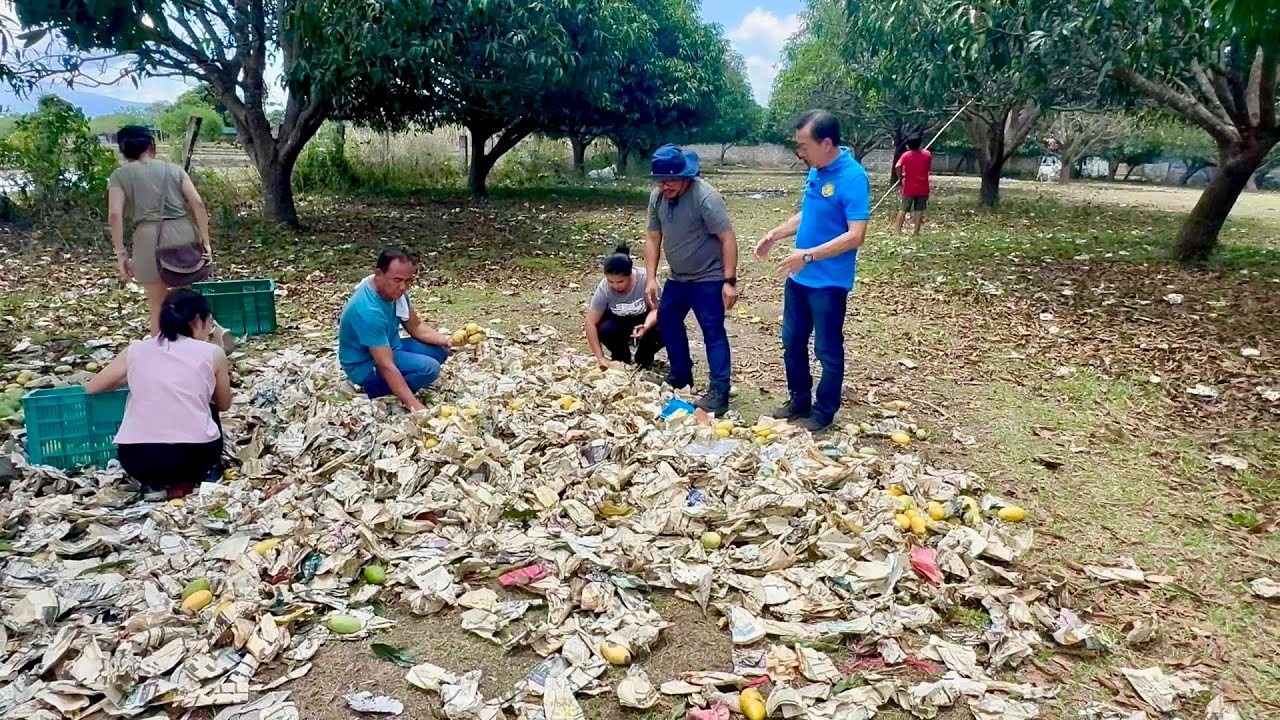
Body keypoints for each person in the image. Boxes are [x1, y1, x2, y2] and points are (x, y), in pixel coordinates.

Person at [754, 110, 870, 432]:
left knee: (827, 349)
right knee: (792, 341)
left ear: (827, 143)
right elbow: (808, 214)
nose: (799, 153)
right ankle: (799, 399)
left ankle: (823, 411)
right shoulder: (816, 171)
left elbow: (855, 235)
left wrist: (807, 256)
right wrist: (775, 234)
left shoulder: (853, 177)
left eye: (804, 146)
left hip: (828, 284)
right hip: (799, 279)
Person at [86, 288, 232, 498]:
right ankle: (199, 476)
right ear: (198, 320)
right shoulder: (212, 353)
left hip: (138, 460)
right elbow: (224, 403)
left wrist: (137, 378)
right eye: (210, 324)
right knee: (209, 407)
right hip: (194, 458)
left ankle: (153, 486)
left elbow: (92, 387)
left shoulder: (135, 350)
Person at [643, 144, 738, 415]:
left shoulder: (706, 198)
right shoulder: (657, 198)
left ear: (685, 175)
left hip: (708, 277)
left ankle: (719, 390)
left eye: (670, 180)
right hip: (678, 277)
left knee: (712, 331)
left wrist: (729, 281)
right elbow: (653, 237)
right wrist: (650, 278)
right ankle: (681, 374)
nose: (665, 186)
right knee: (668, 320)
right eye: (660, 180)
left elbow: (727, 238)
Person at [107, 125, 214, 336]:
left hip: (148, 239)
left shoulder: (120, 175)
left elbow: (115, 215)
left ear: (124, 150)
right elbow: (198, 204)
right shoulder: (174, 169)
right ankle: (202, 344)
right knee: (187, 299)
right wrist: (205, 240)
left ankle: (161, 355)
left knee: (157, 304)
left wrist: (121, 254)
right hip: (183, 233)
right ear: (151, 145)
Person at [338, 248, 452, 413]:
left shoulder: (395, 293)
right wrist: (415, 406)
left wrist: (449, 340)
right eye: (397, 280)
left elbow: (416, 327)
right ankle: (377, 390)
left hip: (390, 347)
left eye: (408, 281)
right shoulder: (368, 311)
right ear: (379, 274)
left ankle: (401, 385)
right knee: (429, 368)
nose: (403, 287)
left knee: (440, 351)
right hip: (366, 364)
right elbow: (386, 365)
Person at [585, 244, 663, 368]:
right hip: (619, 321)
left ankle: (644, 356)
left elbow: (657, 310)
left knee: (666, 326)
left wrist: (646, 326)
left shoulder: (646, 280)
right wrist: (600, 356)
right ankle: (621, 355)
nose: (616, 286)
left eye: (620, 281)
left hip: (644, 319)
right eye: (611, 281)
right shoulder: (604, 288)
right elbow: (590, 322)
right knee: (605, 329)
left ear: (630, 275)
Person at [894, 134, 932, 236]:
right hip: (923, 187)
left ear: (908, 146)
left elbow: (898, 166)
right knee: (919, 210)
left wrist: (900, 177)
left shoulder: (906, 155)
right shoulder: (927, 154)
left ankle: (897, 231)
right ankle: (916, 232)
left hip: (909, 187)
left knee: (903, 209)